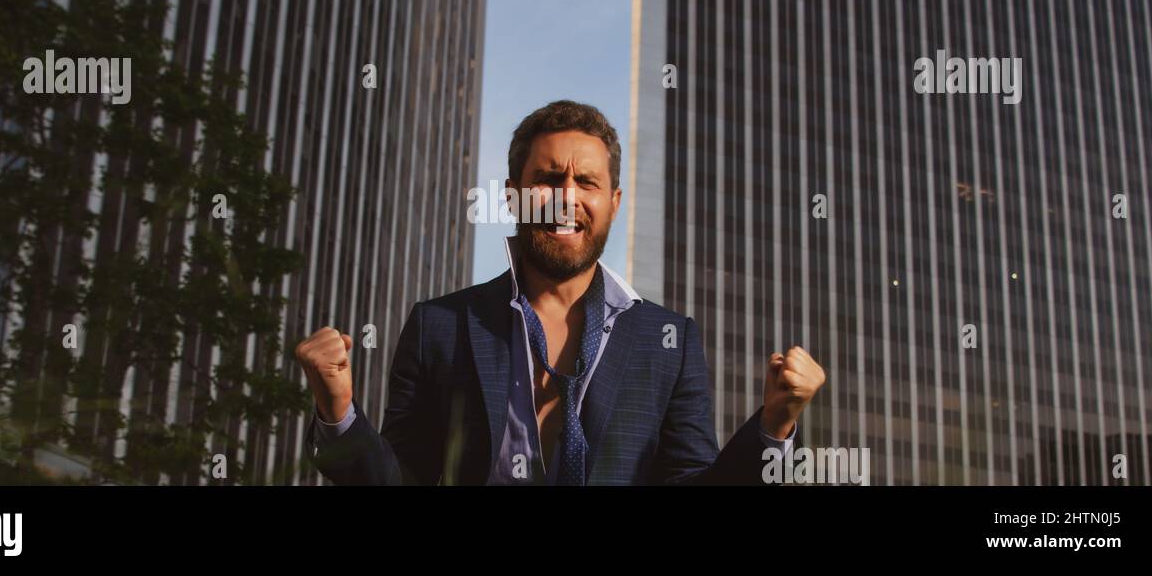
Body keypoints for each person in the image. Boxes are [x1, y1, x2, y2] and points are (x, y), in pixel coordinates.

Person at [295, 100, 825, 485]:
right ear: (513, 197)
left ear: (613, 202)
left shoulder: (670, 339)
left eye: (587, 183)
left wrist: (776, 423)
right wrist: (339, 412)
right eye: (548, 179)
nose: (565, 197)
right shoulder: (440, 325)